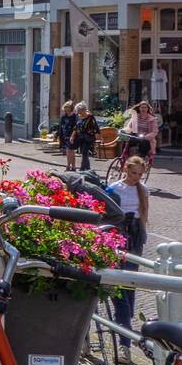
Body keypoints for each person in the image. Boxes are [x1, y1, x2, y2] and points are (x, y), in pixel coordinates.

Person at [107, 156, 149, 352]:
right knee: (119, 285)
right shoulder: (115, 188)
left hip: (135, 239)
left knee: (130, 283)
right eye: (133, 173)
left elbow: (143, 217)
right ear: (126, 169)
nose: (136, 177)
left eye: (140, 174)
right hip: (118, 236)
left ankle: (126, 326)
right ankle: (125, 332)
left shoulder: (144, 191)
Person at [74, 101, 98, 172]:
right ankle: (86, 167)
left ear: (83, 110)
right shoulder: (80, 117)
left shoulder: (90, 117)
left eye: (78, 111)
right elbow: (76, 126)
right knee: (83, 152)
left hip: (88, 137)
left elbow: (95, 126)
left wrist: (99, 135)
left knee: (85, 151)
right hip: (81, 137)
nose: (78, 112)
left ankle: (83, 167)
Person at [57, 100, 78, 171]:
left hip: (72, 135)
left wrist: (73, 135)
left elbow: (76, 126)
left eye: (68, 108)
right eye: (65, 108)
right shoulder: (64, 117)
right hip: (65, 135)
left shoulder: (75, 116)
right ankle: (72, 166)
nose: (66, 110)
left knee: (71, 151)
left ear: (71, 108)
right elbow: (60, 126)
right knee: (68, 151)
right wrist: (58, 135)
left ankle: (70, 166)